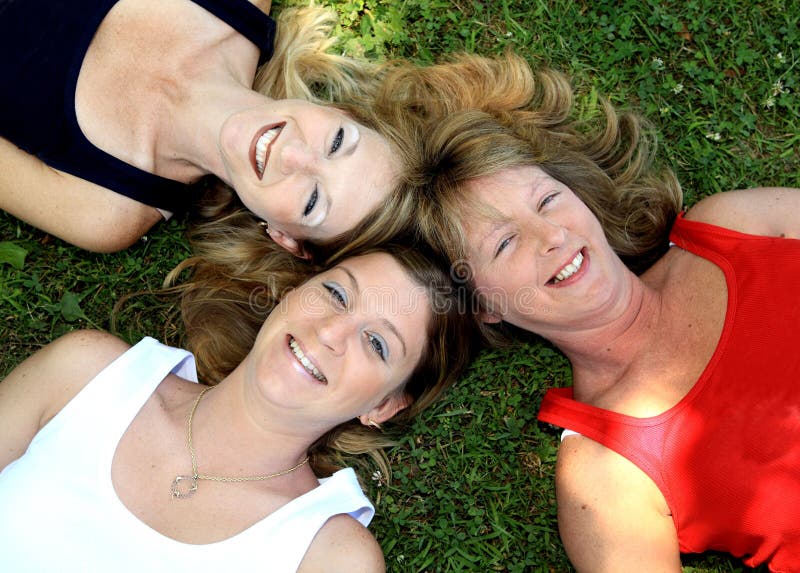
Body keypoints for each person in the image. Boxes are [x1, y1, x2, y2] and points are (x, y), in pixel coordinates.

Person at [388, 52, 800, 571]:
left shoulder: (734, 226)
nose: (552, 236)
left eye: (547, 201)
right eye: (505, 243)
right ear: (483, 306)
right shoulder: (604, 475)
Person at [0, 244, 479, 572]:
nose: (330, 332)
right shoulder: (88, 372)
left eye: (376, 343)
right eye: (336, 294)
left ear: (383, 405)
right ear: (294, 292)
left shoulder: (326, 555)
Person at [0, 0, 409, 256]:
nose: (294, 154)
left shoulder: (104, 212)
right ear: (339, 110)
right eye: (337, 141)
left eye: (312, 201)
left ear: (283, 236)